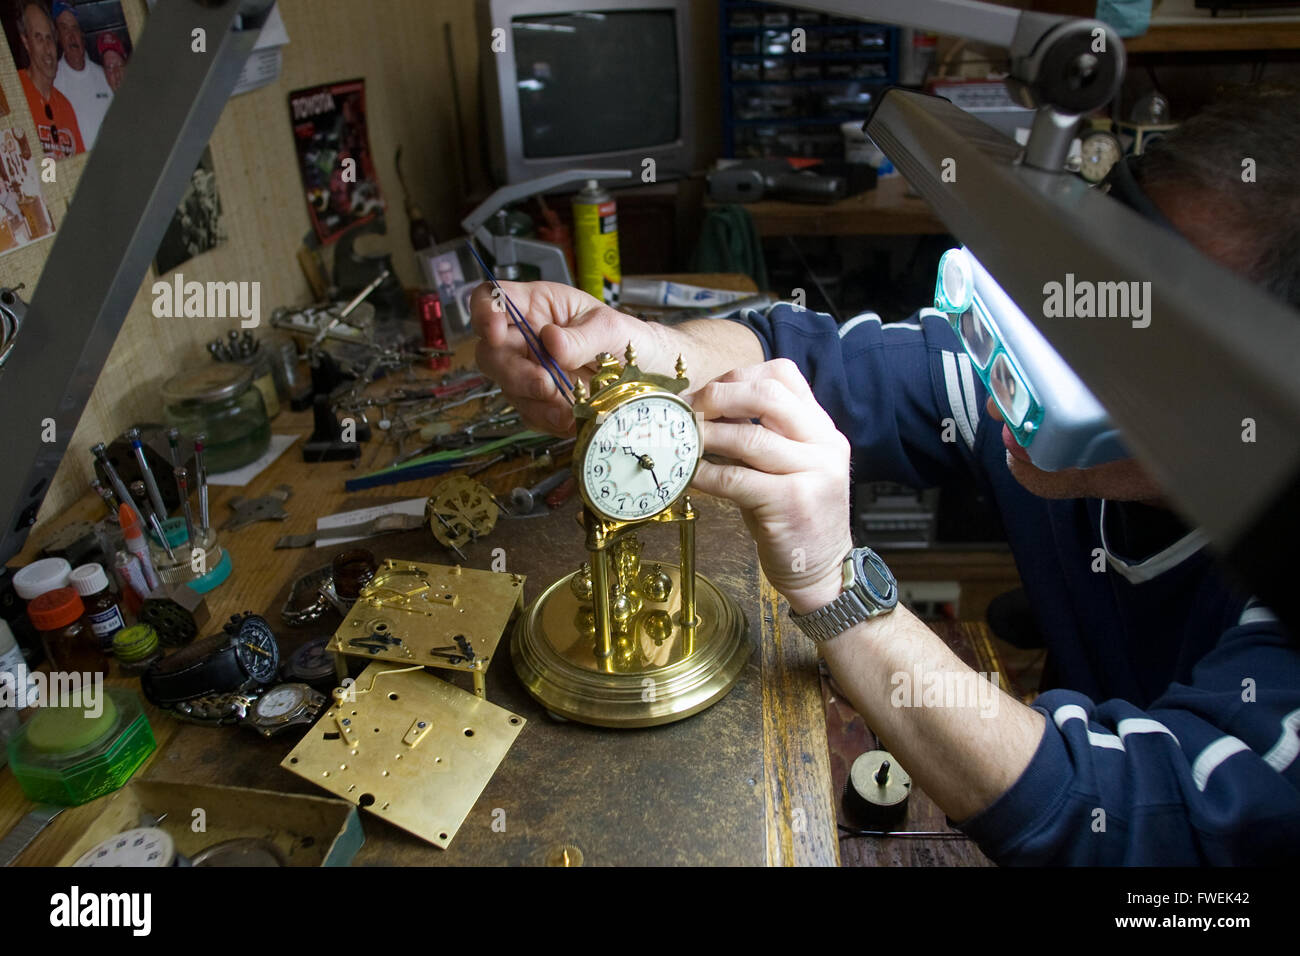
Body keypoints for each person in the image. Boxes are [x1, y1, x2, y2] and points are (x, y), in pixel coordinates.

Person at [471, 84, 1300, 865]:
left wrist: (839, 589)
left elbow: (1122, 822)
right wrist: (648, 356)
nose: (1047, 346)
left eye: (1135, 339)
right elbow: (804, 357)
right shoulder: (1021, 393)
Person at [15, 0, 83, 159]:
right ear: (26, 42)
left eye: (49, 38)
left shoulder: (65, 106)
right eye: (38, 38)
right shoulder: (13, 94)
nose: (47, 49)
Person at [50, 0, 111, 148]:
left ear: (82, 35)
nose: (71, 36)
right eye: (64, 29)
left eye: (75, 28)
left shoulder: (105, 76)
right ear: (57, 37)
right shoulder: (52, 82)